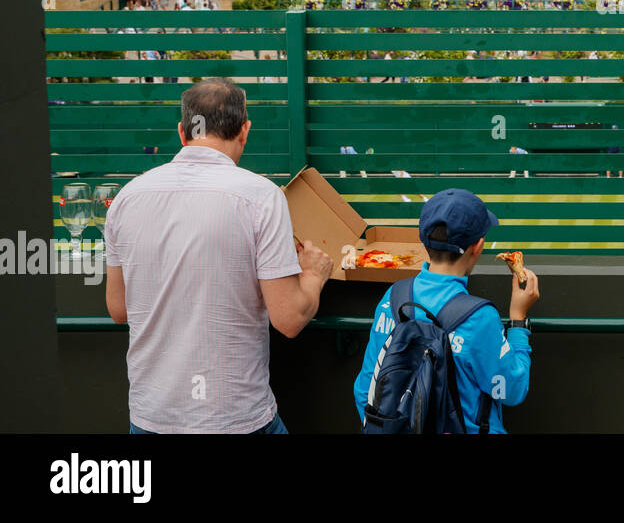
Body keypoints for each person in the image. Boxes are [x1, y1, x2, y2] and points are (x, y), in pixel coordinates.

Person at [104, 78, 332, 433]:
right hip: (234, 417)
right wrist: (314, 275)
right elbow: (288, 319)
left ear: (183, 132)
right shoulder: (262, 197)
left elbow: (118, 308)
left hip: (150, 416)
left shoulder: (127, 198)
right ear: (245, 130)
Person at [353, 189, 538, 433]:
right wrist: (518, 323)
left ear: (423, 241)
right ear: (478, 246)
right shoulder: (480, 317)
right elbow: (511, 390)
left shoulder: (393, 297)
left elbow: (365, 390)